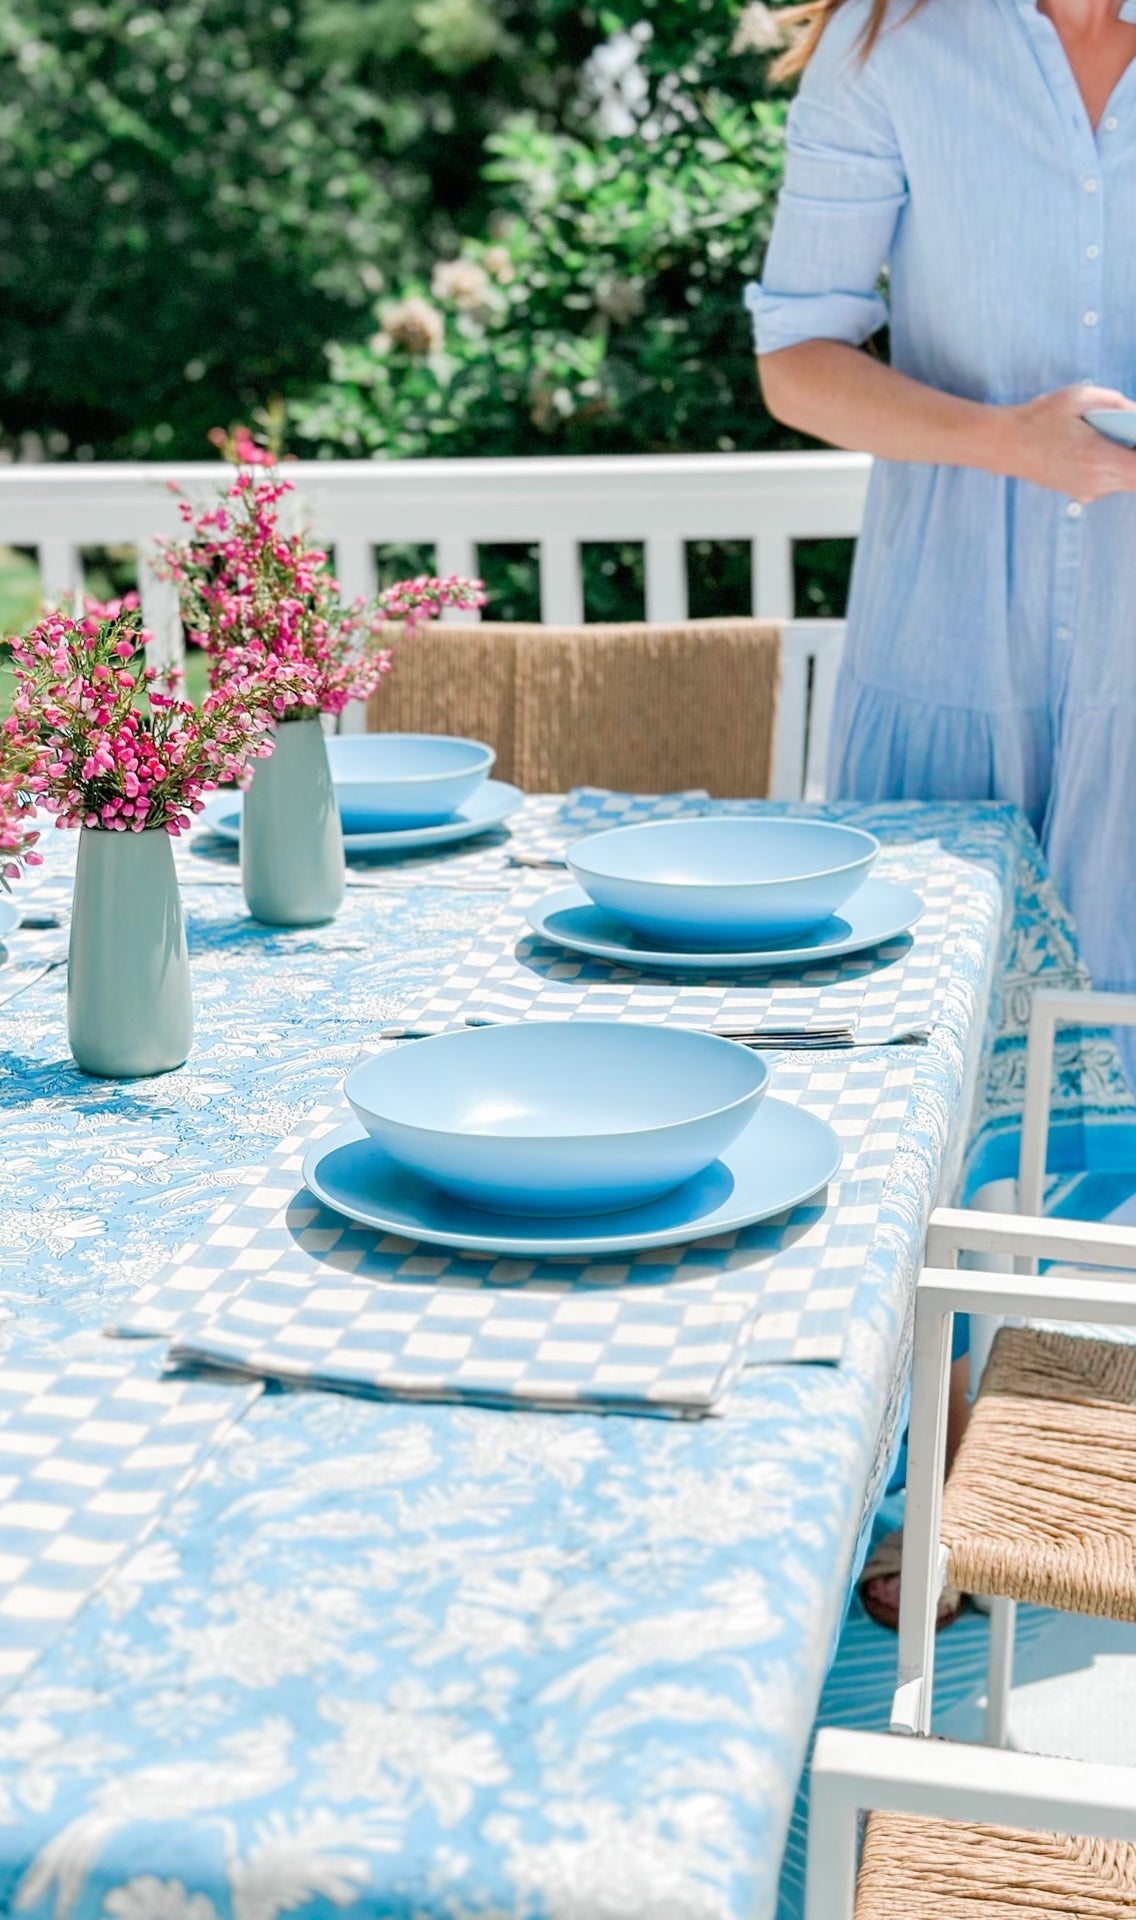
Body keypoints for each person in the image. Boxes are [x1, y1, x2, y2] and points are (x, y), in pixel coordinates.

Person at [748, 0, 1136, 1626]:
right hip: (947, 638)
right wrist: (1005, 444)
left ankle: (1078, 1445)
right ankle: (934, 1456)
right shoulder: (891, 49)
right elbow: (797, 362)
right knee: (932, 1065)